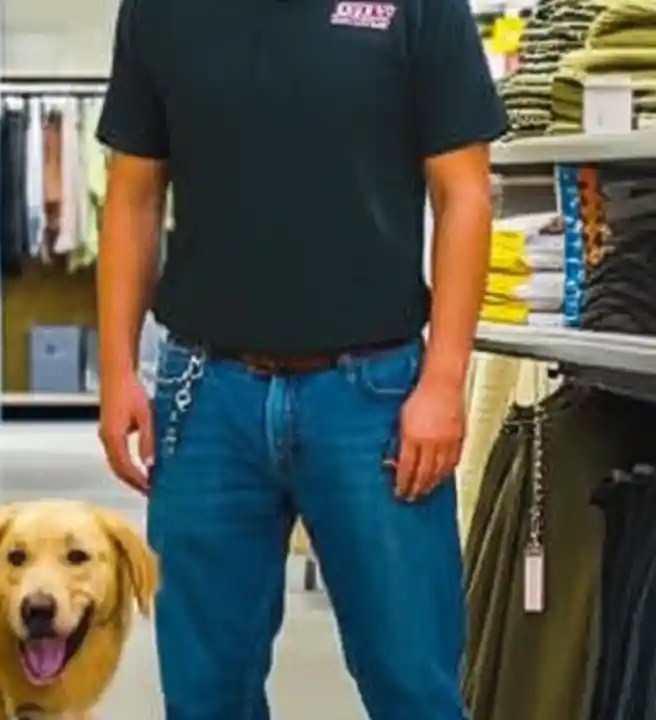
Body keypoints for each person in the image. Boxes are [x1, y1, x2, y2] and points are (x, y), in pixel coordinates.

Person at [93, 0, 507, 717]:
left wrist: (444, 379)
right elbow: (133, 195)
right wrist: (117, 370)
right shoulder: (158, 10)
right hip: (204, 398)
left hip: (373, 398)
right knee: (204, 690)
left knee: (413, 683)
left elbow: (464, 192)